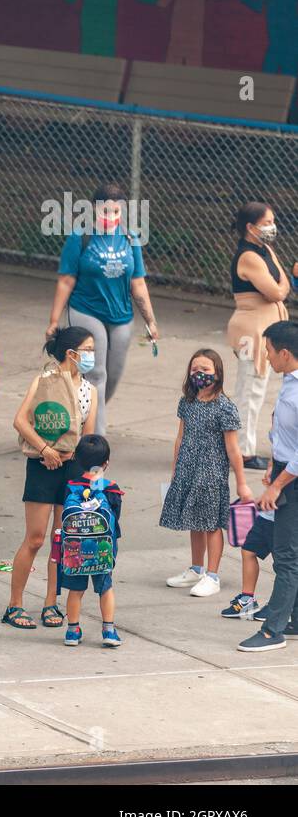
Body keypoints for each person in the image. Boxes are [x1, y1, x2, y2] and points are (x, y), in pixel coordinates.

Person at [2, 327, 98, 630]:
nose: (91, 355)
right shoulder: (43, 381)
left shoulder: (90, 391)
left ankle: (50, 602)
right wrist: (45, 449)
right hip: (43, 465)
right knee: (36, 538)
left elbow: (90, 436)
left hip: (71, 469)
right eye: (88, 349)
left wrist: (89, 471)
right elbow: (20, 421)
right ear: (71, 353)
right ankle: (14, 605)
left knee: (62, 539)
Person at [46, 183, 159, 434]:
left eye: (117, 212)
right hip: (87, 310)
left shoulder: (130, 238)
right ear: (94, 210)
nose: (111, 217)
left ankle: (86, 412)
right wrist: (54, 319)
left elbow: (138, 283)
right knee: (96, 374)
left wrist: (150, 321)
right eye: (105, 212)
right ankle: (96, 441)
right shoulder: (81, 237)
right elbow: (66, 280)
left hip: (121, 315)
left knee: (113, 374)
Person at [161, 349, 252, 598]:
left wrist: (241, 483)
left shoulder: (224, 407)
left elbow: (233, 449)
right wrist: (175, 469)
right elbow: (180, 438)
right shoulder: (187, 402)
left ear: (217, 373)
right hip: (187, 469)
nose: (199, 374)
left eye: (205, 369)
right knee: (194, 521)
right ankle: (196, 568)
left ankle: (212, 575)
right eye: (194, 369)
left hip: (211, 473)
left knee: (211, 524)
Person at [240, 320, 298, 652]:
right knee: (289, 552)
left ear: (286, 353)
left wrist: (277, 485)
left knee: (287, 557)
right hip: (285, 471)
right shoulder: (290, 382)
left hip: (292, 481)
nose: (267, 356)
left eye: (270, 351)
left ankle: (272, 630)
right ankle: (295, 618)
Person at [225, 202, 288, 470]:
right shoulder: (248, 256)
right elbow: (275, 292)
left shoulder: (266, 250)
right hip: (251, 329)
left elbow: (282, 283)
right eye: (266, 223)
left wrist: (280, 288)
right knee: (250, 392)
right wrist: (280, 289)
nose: (272, 227)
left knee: (259, 391)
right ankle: (243, 452)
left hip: (269, 325)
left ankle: (246, 446)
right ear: (251, 227)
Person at [59, 435, 125, 648]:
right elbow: (115, 516)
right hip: (102, 549)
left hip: (75, 550)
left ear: (77, 459)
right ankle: (108, 630)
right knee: (105, 588)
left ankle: (72, 631)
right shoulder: (110, 487)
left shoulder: (71, 486)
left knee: (75, 590)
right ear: (106, 462)